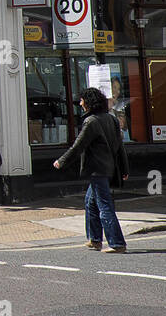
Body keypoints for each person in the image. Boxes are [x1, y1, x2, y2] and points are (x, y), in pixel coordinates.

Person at [54, 86, 129, 252]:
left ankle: (117, 243)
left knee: (104, 206)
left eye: (82, 100)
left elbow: (78, 146)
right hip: (109, 168)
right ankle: (95, 239)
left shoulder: (91, 121)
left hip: (98, 170)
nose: (80, 103)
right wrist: (124, 169)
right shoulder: (111, 119)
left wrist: (61, 161)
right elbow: (120, 147)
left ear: (88, 102)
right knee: (90, 202)